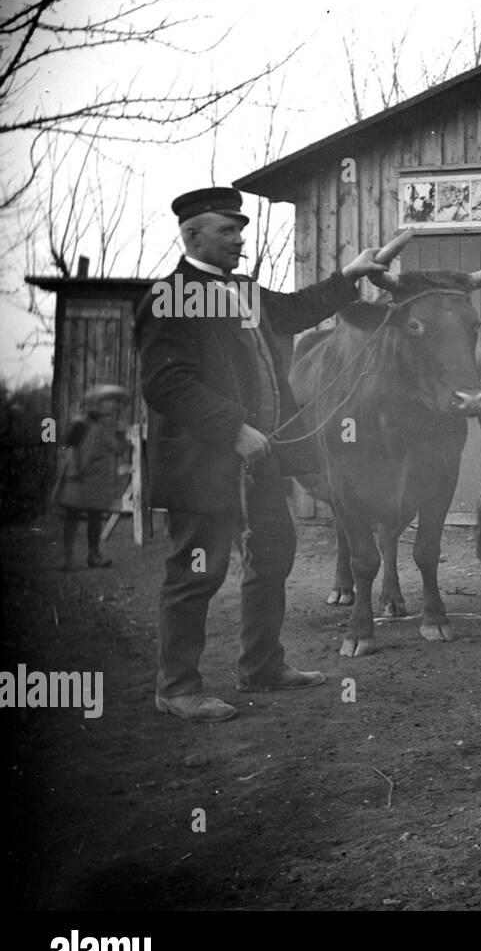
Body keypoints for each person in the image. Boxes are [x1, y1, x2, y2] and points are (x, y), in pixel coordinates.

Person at [135, 187, 391, 722]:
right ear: (192, 235)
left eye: (240, 229)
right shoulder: (170, 296)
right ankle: (177, 687)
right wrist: (234, 429)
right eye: (227, 230)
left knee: (274, 553)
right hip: (205, 462)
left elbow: (296, 309)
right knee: (196, 571)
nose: (239, 239)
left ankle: (261, 667)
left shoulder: (243, 290)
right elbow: (166, 385)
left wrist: (350, 276)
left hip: (261, 460)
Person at [54, 384, 129, 570]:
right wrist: (73, 468)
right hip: (79, 476)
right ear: (96, 404)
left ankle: (93, 555)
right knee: (73, 515)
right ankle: (66, 557)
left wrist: (121, 433)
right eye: (106, 402)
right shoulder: (80, 423)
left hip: (97, 480)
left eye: (112, 403)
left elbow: (118, 449)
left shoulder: (106, 428)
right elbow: (70, 446)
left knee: (95, 516)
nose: (110, 407)